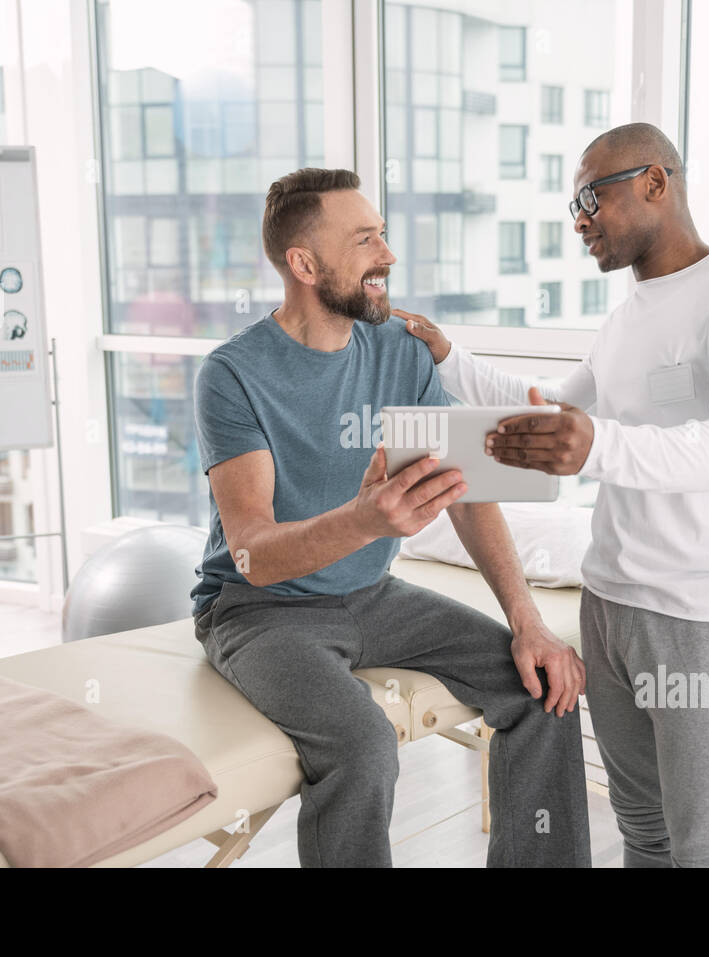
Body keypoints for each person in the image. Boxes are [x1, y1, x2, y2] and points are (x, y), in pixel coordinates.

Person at [399, 123, 709, 867]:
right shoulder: (626, 320)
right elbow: (554, 413)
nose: (580, 218)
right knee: (643, 832)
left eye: (590, 195)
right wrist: (447, 355)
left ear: (656, 181)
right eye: (571, 205)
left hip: (708, 617)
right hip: (612, 609)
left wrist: (599, 444)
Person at [191, 167, 591, 868]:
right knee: (363, 744)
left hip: (371, 596)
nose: (388, 254)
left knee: (543, 687)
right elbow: (252, 551)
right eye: (366, 239)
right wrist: (365, 522)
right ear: (305, 263)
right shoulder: (233, 374)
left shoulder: (401, 352)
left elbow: (464, 491)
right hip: (258, 611)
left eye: (384, 235)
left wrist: (529, 624)